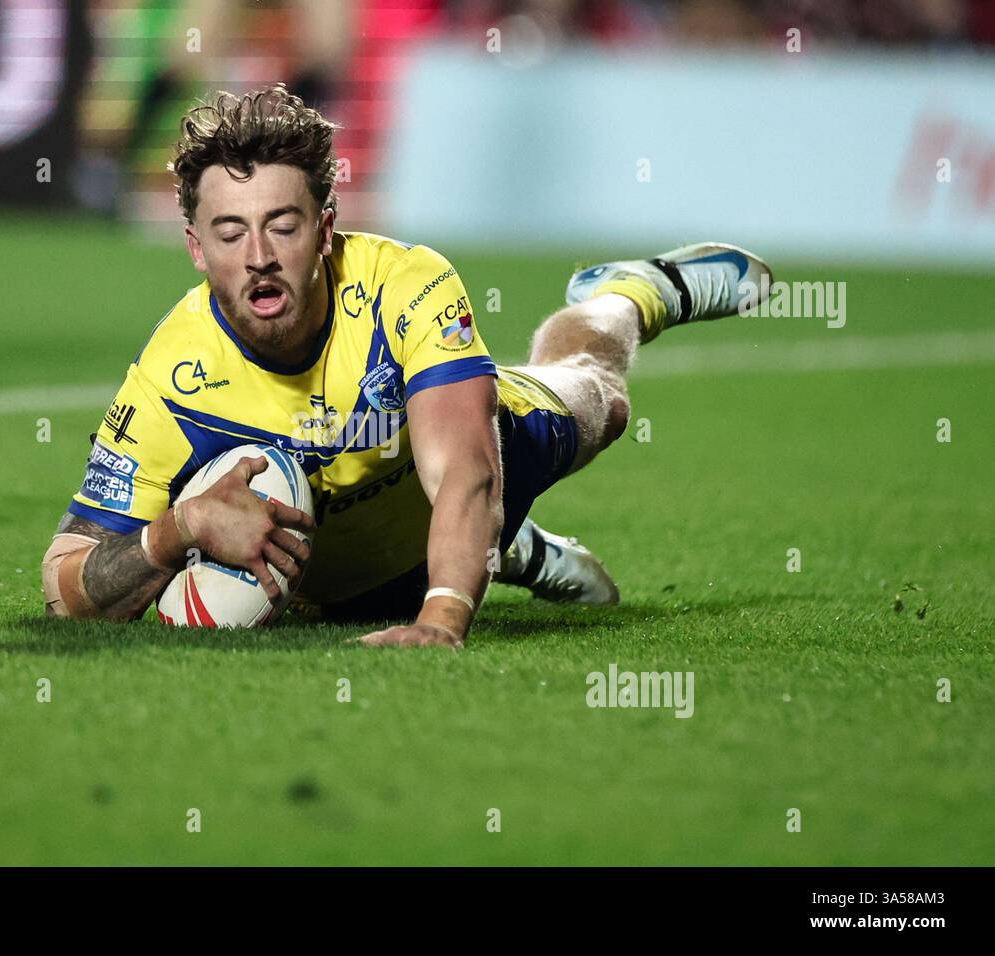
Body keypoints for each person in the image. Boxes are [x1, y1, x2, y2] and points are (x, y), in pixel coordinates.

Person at [41, 85, 771, 648]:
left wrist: (444, 616)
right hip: (336, 579)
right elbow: (62, 584)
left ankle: (632, 294)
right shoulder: (173, 379)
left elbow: (464, 472)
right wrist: (179, 529)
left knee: (601, 402)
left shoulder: (406, 286)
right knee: (367, 582)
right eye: (229, 233)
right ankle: (501, 552)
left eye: (283, 226)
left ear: (326, 230)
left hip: (482, 464)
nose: (258, 255)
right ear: (198, 250)